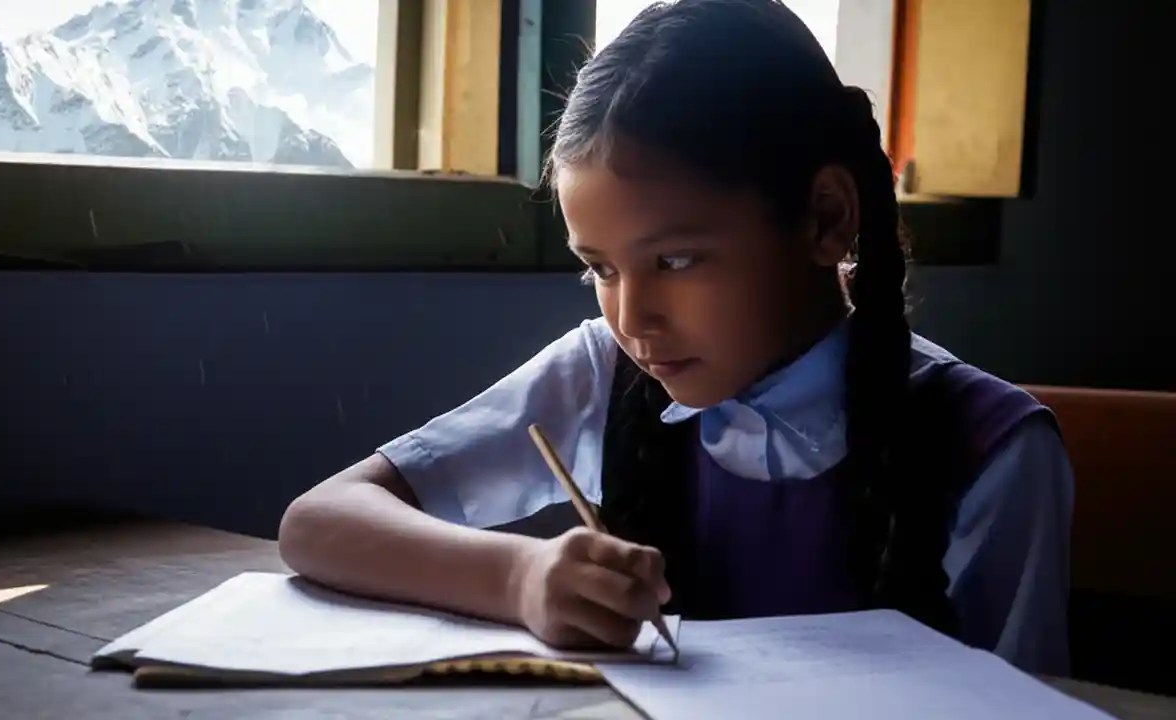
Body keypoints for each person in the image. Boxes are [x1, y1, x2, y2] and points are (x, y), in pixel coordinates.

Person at [279, 0, 1073, 675]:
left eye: (678, 259)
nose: (632, 319)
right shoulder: (605, 373)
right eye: (600, 268)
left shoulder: (991, 451)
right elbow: (322, 522)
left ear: (827, 218)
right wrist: (520, 577)